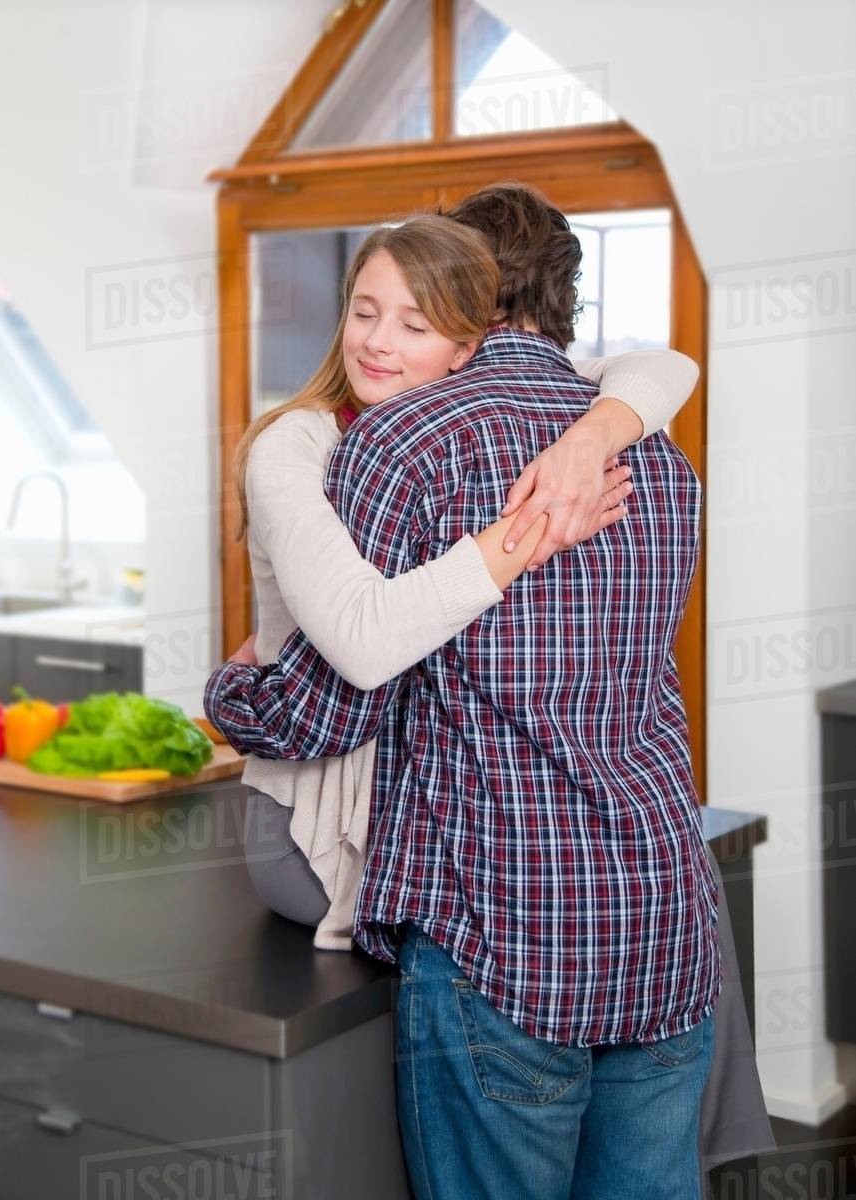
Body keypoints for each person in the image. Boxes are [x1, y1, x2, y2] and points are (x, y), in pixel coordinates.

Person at [205, 185, 774, 1198]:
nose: (389, 334)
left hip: (501, 924)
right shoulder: (654, 450)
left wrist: (235, 691)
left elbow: (342, 697)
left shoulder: (400, 441)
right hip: (661, 908)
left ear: (462, 290)